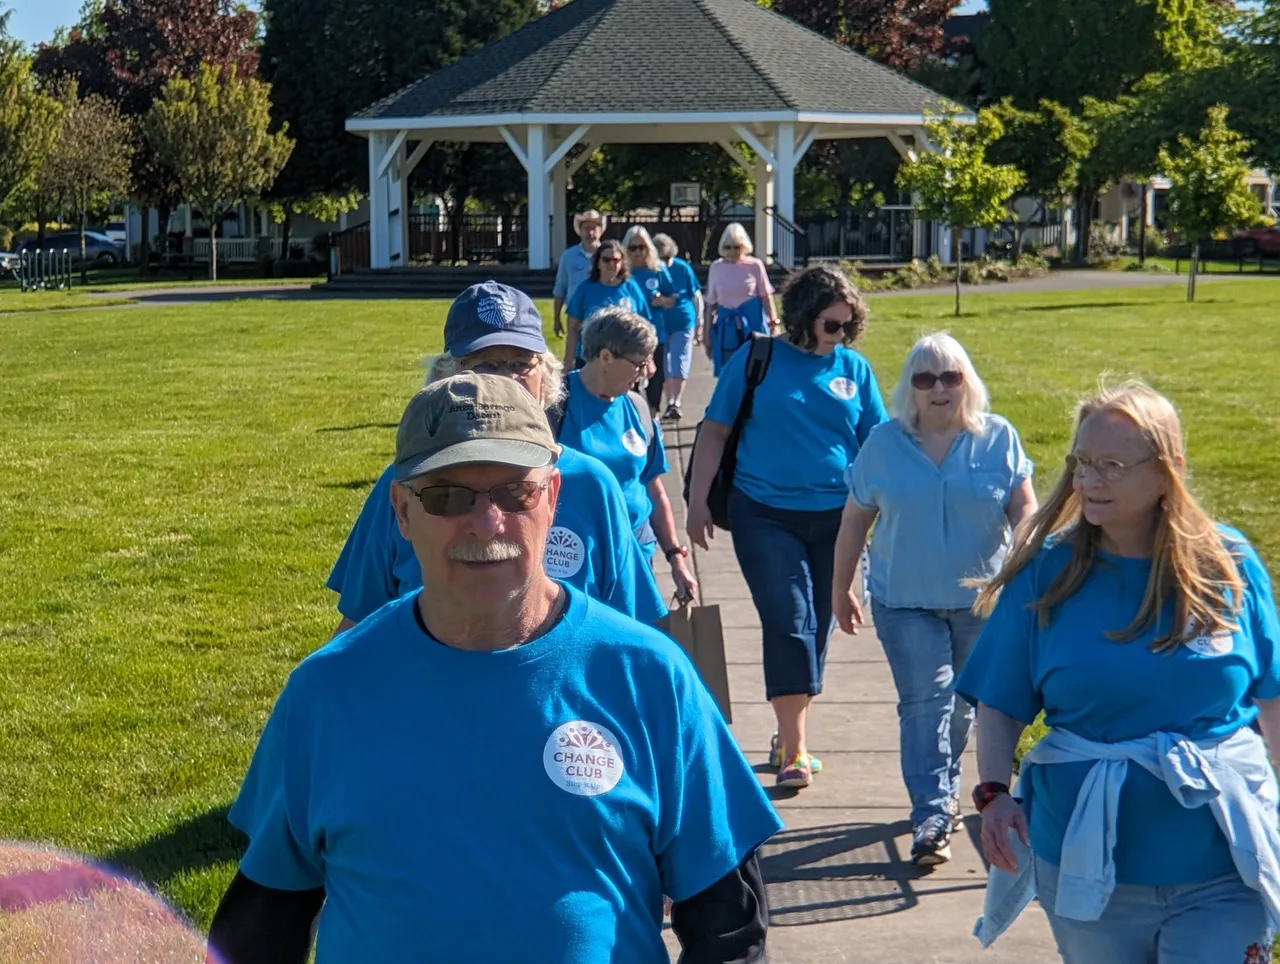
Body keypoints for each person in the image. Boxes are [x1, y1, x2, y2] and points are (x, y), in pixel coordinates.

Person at [208, 373, 784, 964]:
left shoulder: (649, 676)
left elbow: (730, 928)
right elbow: (264, 921)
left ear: (553, 497)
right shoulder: (327, 692)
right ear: (401, 511)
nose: (486, 524)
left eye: (515, 492)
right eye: (447, 496)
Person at [955, 381, 1280, 962]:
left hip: (1224, 865)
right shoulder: (1048, 574)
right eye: (1082, 462)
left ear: (1167, 470)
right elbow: (1000, 703)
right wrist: (994, 795)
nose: (1089, 480)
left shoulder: (1228, 565)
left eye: (1111, 465)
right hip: (1087, 873)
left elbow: (1272, 695)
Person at [328, 282, 667, 631]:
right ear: (444, 374)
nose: (506, 381)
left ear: (547, 376)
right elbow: (358, 622)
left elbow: (632, 630)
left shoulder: (592, 484)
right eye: (484, 364)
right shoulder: (411, 479)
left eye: (521, 364)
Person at [830, 332, 1038, 867]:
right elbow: (855, 519)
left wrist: (1029, 560)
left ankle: (944, 791)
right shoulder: (883, 443)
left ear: (967, 382)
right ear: (910, 388)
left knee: (966, 706)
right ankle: (931, 813)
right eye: (925, 379)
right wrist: (841, 587)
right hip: (905, 601)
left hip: (981, 602)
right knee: (926, 703)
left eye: (950, 377)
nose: (939, 389)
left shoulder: (998, 438)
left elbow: (1025, 511)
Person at [686, 264, 888, 789]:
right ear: (802, 316)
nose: (840, 335)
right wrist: (697, 501)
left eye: (848, 325)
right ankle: (796, 750)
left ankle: (787, 731)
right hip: (764, 512)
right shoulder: (758, 359)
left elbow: (878, 444)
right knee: (789, 619)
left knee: (818, 623)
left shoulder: (854, 368)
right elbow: (714, 431)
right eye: (831, 324)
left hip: (839, 519)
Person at [558, 306, 697, 602]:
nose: (649, 372)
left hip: (635, 556)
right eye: (640, 362)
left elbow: (653, 489)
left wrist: (676, 558)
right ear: (605, 357)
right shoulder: (555, 406)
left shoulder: (638, 408)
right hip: (574, 562)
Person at [703, 223, 778, 377]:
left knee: (757, 371)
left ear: (744, 246)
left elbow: (766, 296)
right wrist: (706, 335)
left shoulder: (755, 265)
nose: (732, 251)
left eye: (736, 247)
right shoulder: (716, 267)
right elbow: (710, 305)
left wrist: (774, 324)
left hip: (753, 325)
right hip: (727, 327)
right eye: (728, 247)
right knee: (729, 372)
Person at [563, 240, 652, 368]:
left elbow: (645, 327)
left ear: (622, 263)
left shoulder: (631, 288)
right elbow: (573, 327)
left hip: (625, 359)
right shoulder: (585, 289)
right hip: (591, 359)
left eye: (616, 260)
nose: (611, 264)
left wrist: (648, 360)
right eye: (606, 260)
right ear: (598, 263)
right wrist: (568, 360)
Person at [622, 225, 676, 416]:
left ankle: (653, 414)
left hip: (655, 332)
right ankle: (634, 413)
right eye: (633, 248)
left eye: (642, 247)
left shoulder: (657, 269)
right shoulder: (623, 272)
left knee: (656, 375)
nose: (638, 252)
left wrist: (663, 300)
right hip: (628, 333)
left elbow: (673, 298)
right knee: (630, 373)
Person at [653, 232, 703, 421]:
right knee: (663, 363)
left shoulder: (683, 268)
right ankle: (669, 401)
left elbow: (696, 296)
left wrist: (699, 323)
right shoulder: (651, 269)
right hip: (659, 324)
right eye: (660, 258)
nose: (664, 262)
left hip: (683, 320)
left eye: (667, 258)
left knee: (680, 359)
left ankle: (676, 401)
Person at [552, 209, 605, 338]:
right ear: (580, 231)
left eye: (594, 228)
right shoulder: (568, 256)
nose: (590, 233)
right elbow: (560, 288)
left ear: (600, 230)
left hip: (602, 314)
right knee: (575, 348)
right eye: (586, 228)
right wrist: (556, 318)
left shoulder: (607, 255)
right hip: (575, 314)